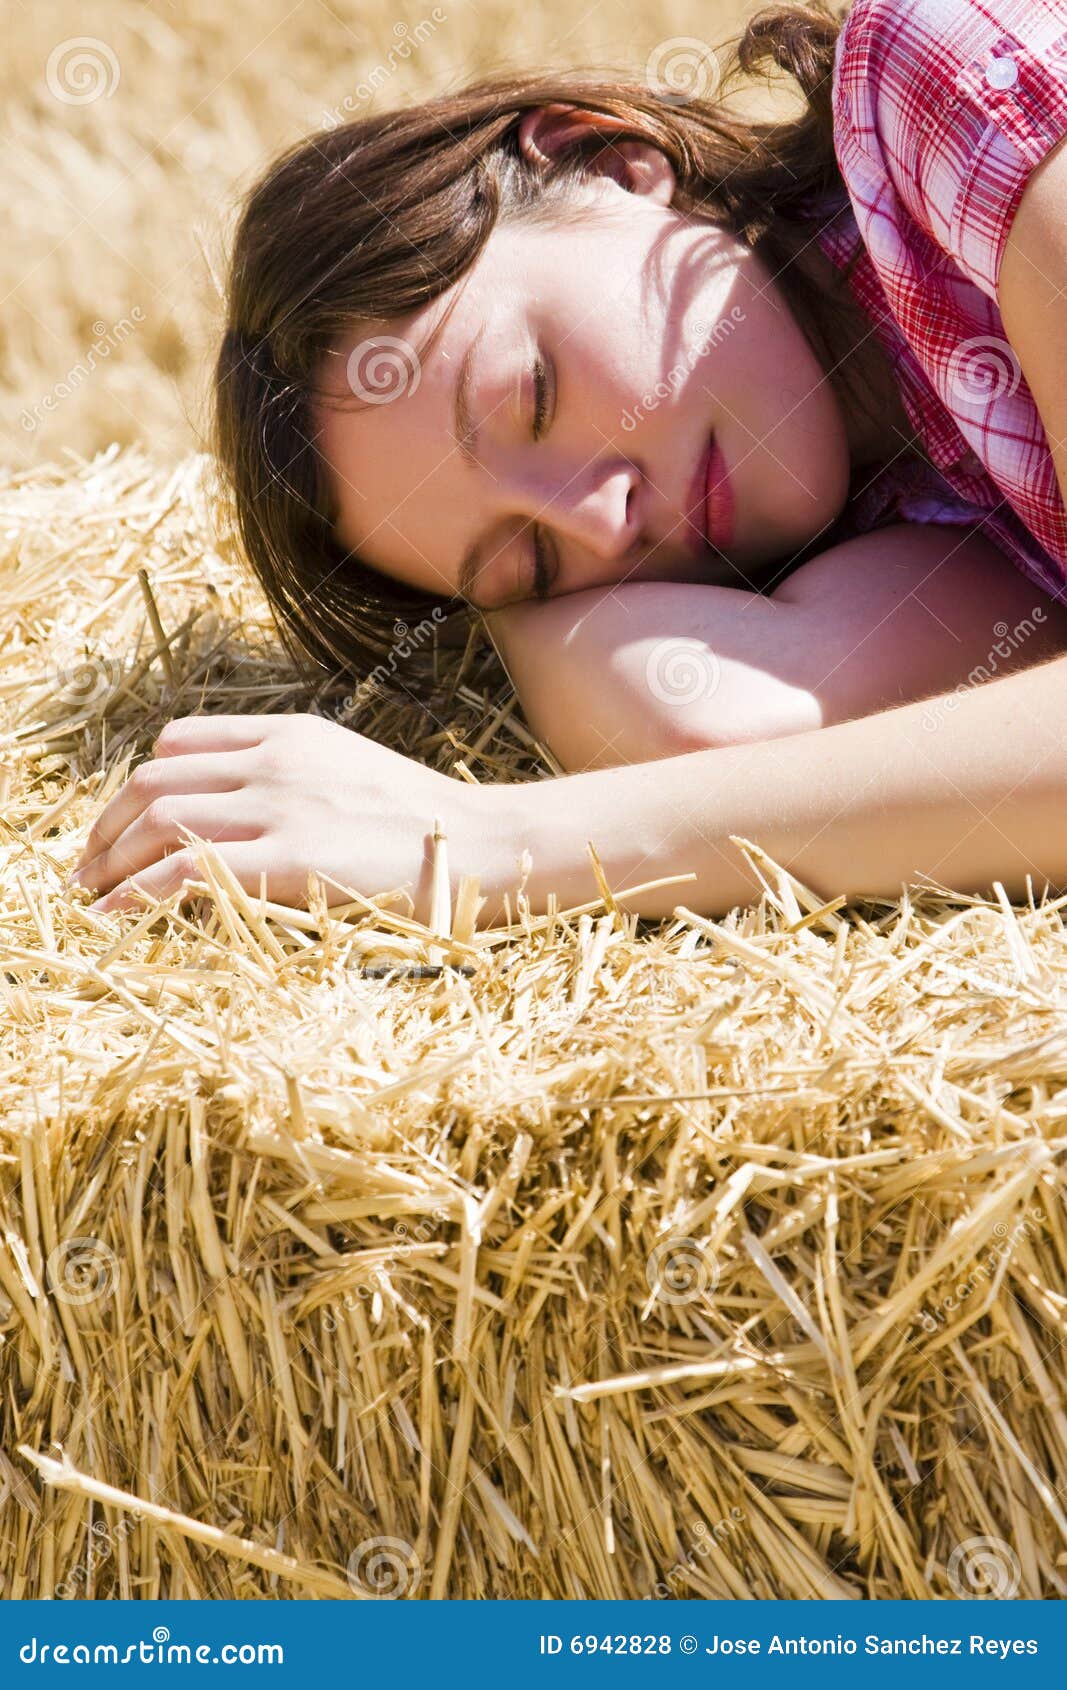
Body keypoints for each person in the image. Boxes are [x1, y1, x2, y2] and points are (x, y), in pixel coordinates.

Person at [71, 0, 1067, 927]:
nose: (600, 520)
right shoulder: (895, 503)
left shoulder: (952, 84)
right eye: (535, 562)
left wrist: (480, 846)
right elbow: (711, 733)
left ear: (608, 163)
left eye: (536, 395)